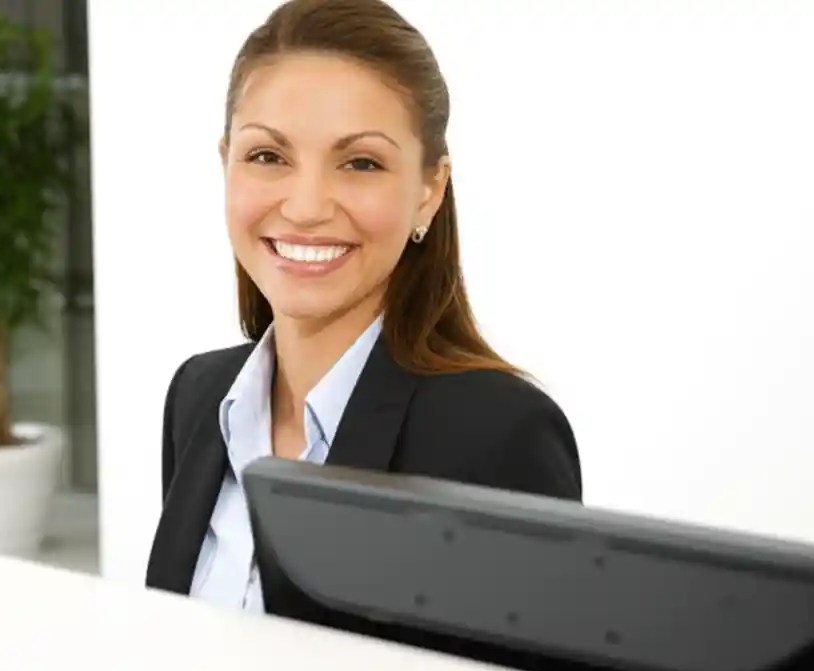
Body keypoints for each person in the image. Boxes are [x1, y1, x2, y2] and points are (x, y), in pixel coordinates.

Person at [146, 0, 582, 616]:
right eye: (268, 156)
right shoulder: (199, 397)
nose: (305, 206)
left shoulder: (497, 438)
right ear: (226, 164)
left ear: (429, 191)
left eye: (360, 163)